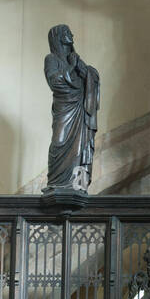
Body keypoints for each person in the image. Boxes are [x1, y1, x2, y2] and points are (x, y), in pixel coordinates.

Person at [44, 24, 100, 192]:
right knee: (59, 143)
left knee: (80, 148)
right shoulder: (51, 59)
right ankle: (57, 183)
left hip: (80, 111)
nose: (72, 35)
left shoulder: (76, 58)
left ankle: (79, 185)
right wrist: (70, 66)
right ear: (59, 37)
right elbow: (54, 82)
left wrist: (84, 71)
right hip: (64, 109)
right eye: (67, 32)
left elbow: (90, 78)